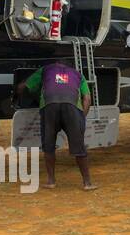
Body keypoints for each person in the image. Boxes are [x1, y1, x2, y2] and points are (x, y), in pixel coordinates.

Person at [17, 61, 97, 189]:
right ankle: (87, 183)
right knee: (79, 147)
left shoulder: (45, 69)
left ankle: (51, 181)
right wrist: (81, 117)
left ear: (56, 63)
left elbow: (24, 87)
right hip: (72, 109)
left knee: (49, 146)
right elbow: (87, 98)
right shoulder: (78, 75)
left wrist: (21, 93)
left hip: (49, 107)